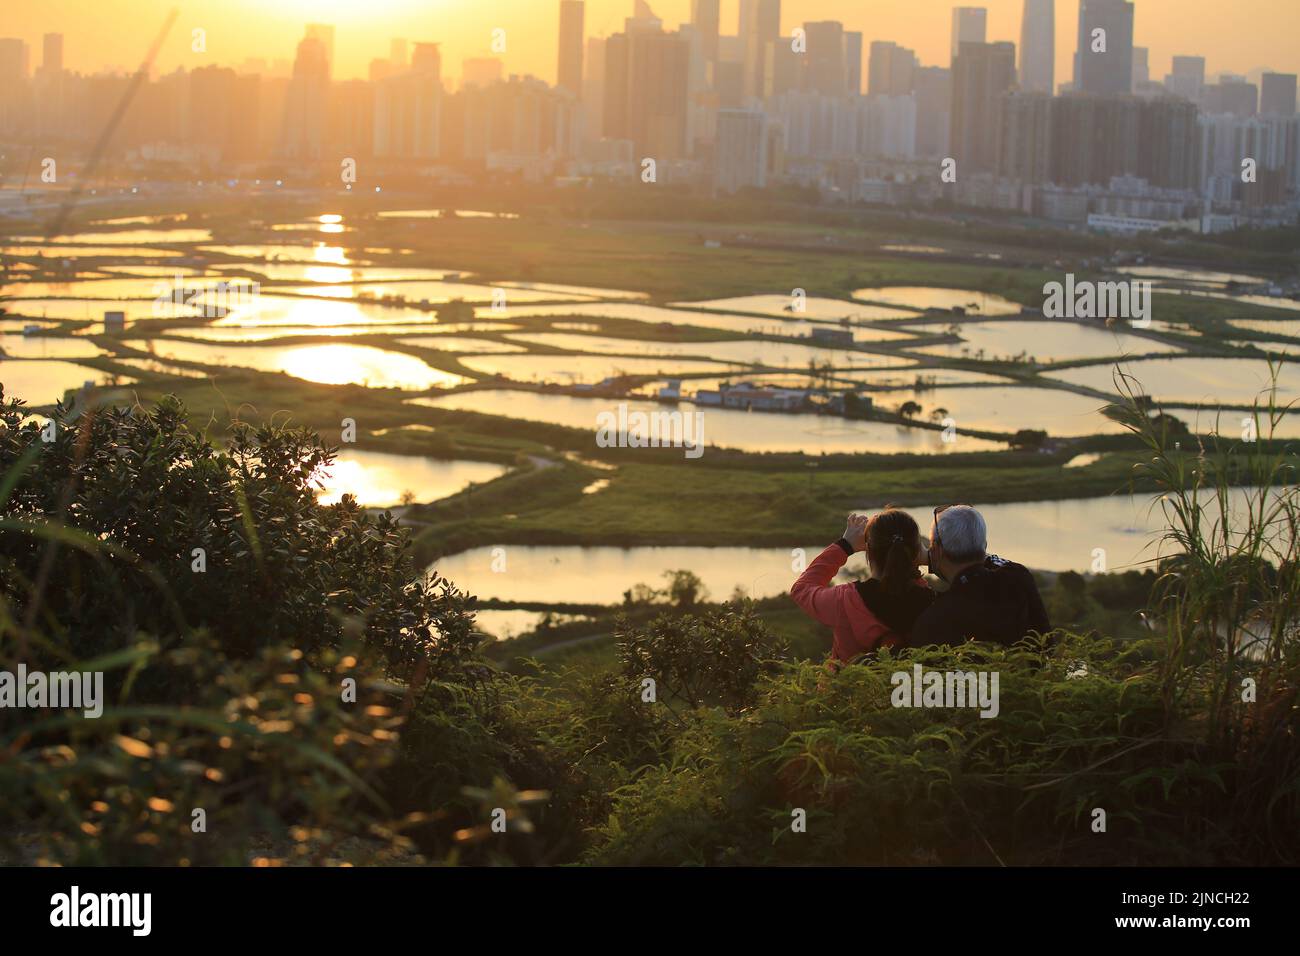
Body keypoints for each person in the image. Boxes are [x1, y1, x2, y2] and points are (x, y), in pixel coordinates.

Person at [790, 509, 934, 664]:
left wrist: (845, 546)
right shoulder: (931, 602)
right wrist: (929, 559)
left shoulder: (845, 600)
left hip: (848, 687)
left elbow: (802, 588)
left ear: (869, 550)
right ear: (916, 552)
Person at [910, 504, 1051, 647]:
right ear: (984, 546)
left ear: (937, 551)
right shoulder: (1018, 578)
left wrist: (930, 556)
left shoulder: (934, 620)